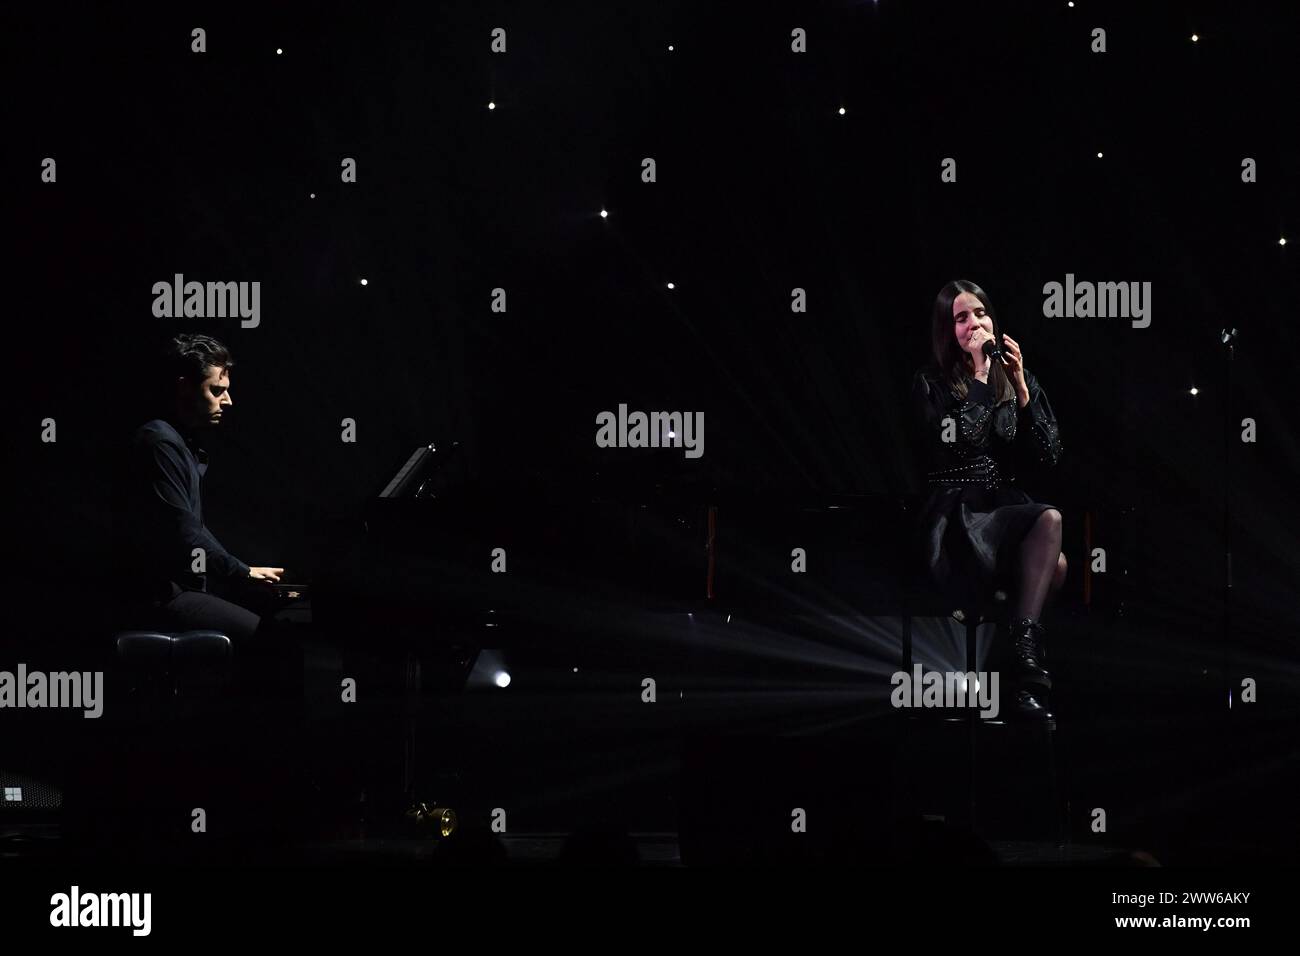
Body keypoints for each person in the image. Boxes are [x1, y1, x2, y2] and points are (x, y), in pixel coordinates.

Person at [910, 280, 1066, 720]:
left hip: (1003, 503)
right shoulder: (930, 382)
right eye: (962, 318)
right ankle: (1023, 674)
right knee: (1052, 548)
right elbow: (964, 441)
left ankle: (1017, 666)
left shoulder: (1017, 375)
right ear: (947, 329)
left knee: (1053, 543)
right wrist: (980, 373)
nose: (975, 324)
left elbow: (1050, 455)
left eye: (980, 314)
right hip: (957, 507)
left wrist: (1019, 387)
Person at [113, 333, 296, 699]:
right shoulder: (158, 442)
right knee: (273, 642)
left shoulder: (177, 442)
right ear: (184, 387)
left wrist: (240, 569)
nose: (228, 400)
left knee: (277, 624)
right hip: (161, 595)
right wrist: (239, 571)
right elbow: (183, 534)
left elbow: (194, 528)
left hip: (178, 589)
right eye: (217, 390)